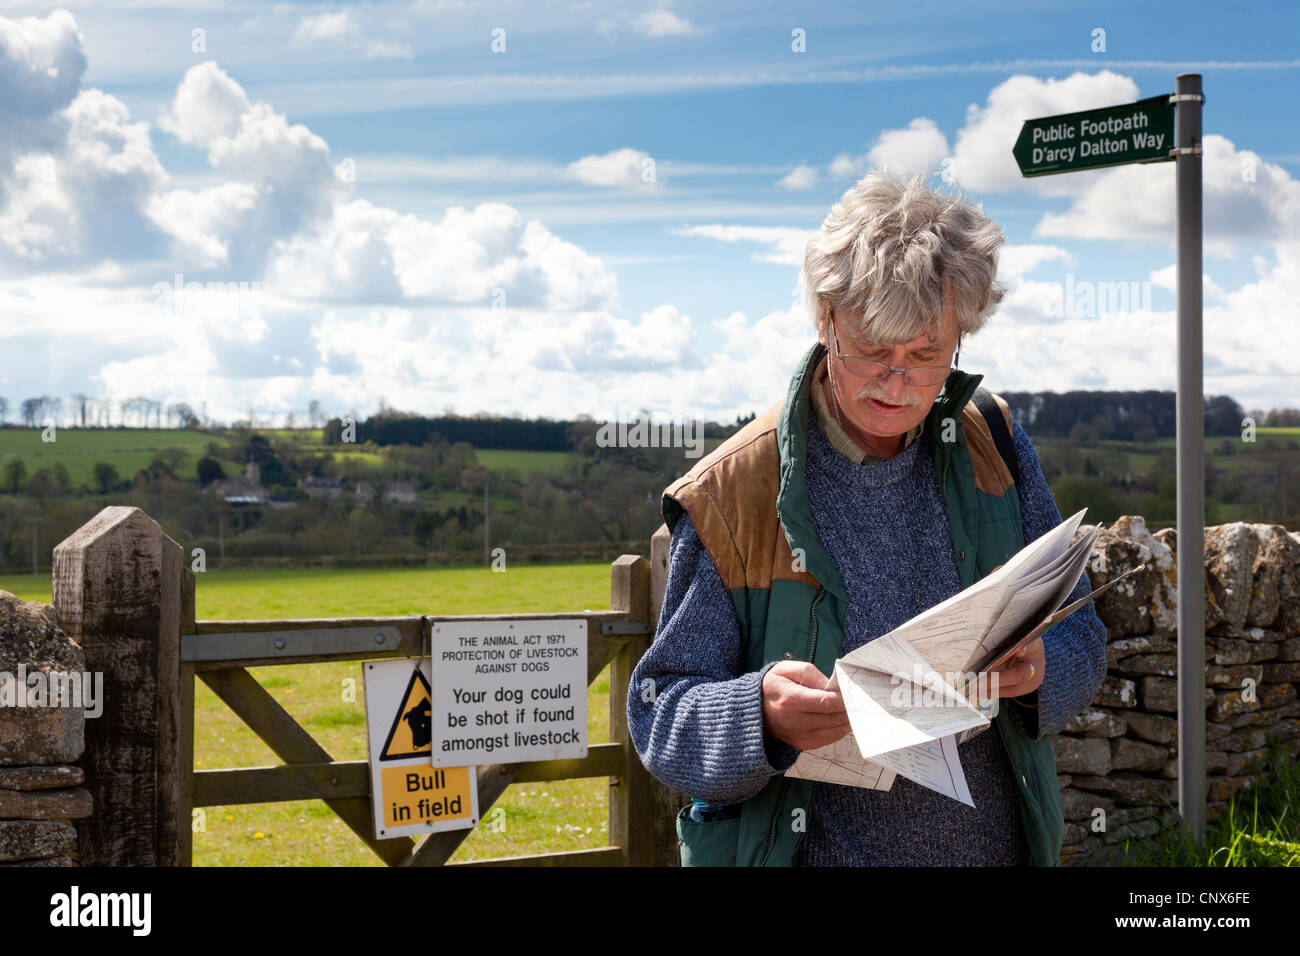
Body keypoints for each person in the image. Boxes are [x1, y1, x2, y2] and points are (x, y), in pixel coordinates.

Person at [627, 170, 1107, 866]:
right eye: (874, 350)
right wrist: (757, 716)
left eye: (925, 356)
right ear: (825, 319)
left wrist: (1039, 672)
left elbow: (1083, 637)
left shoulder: (992, 439)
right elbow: (659, 712)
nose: (897, 382)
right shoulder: (733, 491)